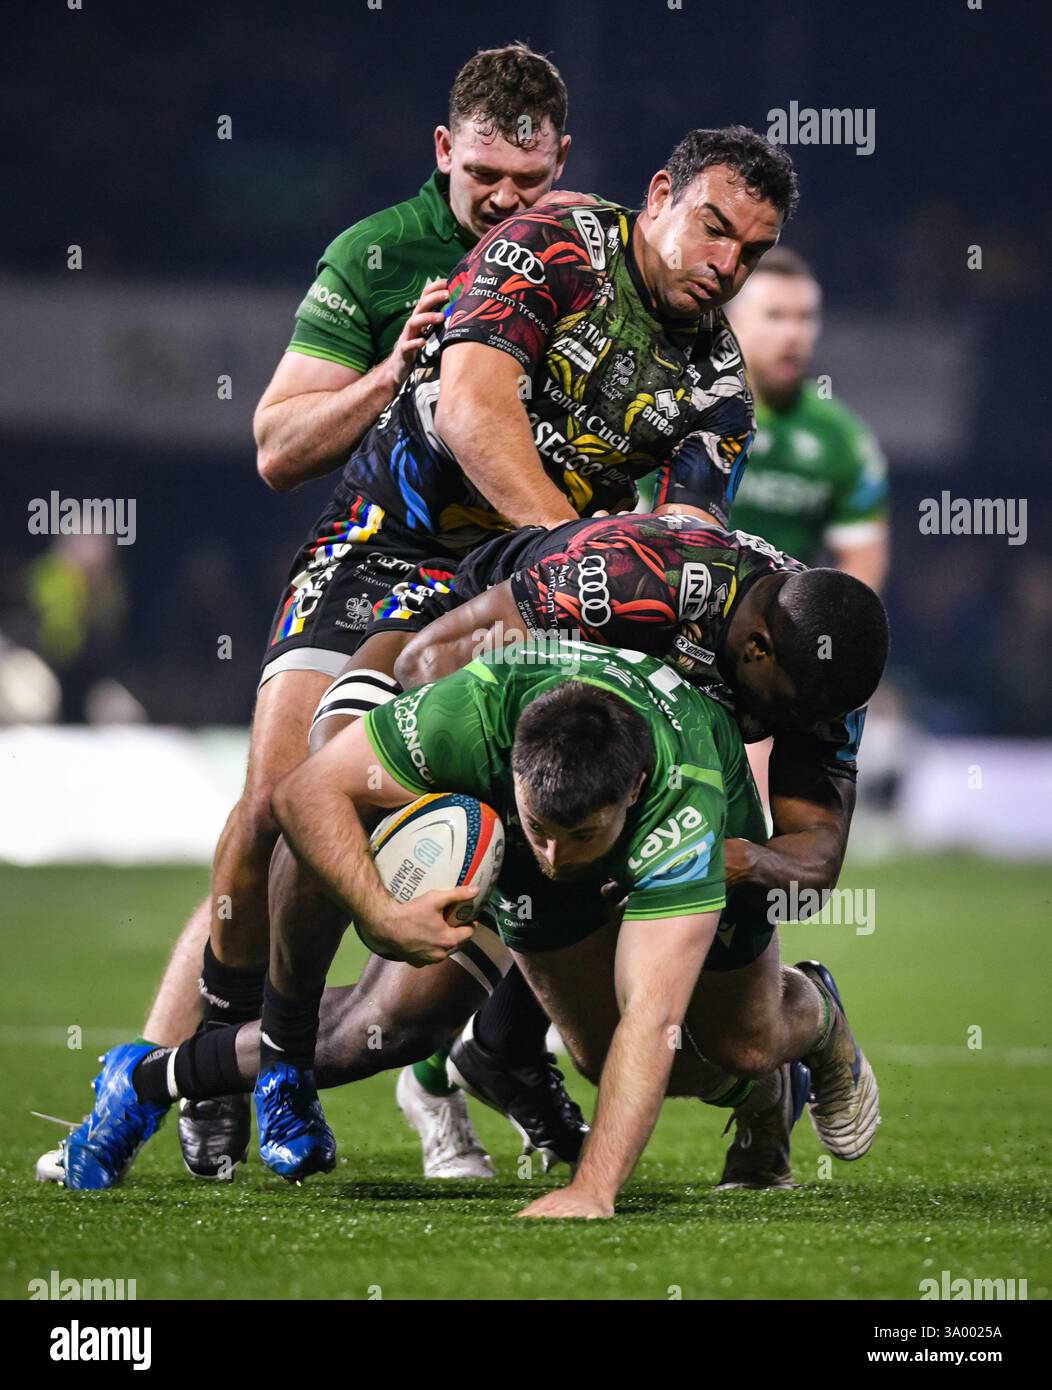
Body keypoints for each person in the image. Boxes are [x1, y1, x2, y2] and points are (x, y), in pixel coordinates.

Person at [132, 42, 574, 1182]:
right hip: (378, 558)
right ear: (444, 151)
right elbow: (276, 447)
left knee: (557, 817)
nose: (506, 202)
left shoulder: (586, 255)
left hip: (505, 578)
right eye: (485, 177)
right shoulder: (376, 254)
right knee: (275, 812)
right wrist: (393, 367)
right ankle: (230, 1071)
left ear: (561, 161)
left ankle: (487, 1059)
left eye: (529, 181)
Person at [55, 642, 877, 1217]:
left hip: (690, 854)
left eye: (575, 838)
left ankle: (814, 1017)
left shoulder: (682, 801)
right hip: (519, 815)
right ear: (509, 765)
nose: (553, 856)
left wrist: (593, 1192)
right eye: (540, 831)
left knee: (726, 1048)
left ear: (628, 792)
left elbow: (654, 1018)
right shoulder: (474, 711)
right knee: (383, 1028)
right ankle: (146, 1078)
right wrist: (383, 913)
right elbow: (303, 796)